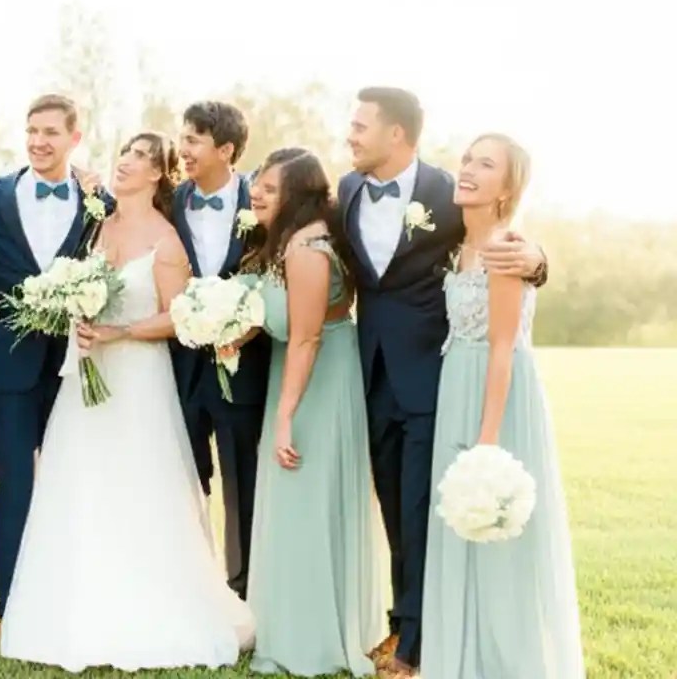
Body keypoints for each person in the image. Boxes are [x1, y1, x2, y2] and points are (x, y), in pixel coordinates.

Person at [0, 132, 255, 672]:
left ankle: (148, 605)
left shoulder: (165, 240)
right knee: (82, 484)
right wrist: (71, 311)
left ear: (159, 174)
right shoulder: (99, 225)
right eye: (124, 154)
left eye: (140, 157)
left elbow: (178, 316)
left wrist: (120, 333)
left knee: (136, 487)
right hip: (88, 379)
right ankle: (74, 607)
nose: (126, 163)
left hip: (137, 379)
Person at [336, 87, 549, 673]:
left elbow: (507, 242)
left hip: (436, 375)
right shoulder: (349, 189)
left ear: (396, 134)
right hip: (372, 371)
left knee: (422, 507)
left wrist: (538, 261)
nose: (349, 135)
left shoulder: (445, 192)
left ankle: (415, 646)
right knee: (393, 509)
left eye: (359, 125)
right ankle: (404, 624)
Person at [419, 134, 584, 678]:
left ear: (508, 187)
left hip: (496, 395)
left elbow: (502, 347)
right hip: (455, 386)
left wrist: (487, 443)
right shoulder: (459, 241)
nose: (466, 168)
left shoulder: (506, 247)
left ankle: (506, 660)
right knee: (461, 524)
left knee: (495, 521)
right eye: (467, 158)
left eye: (485, 164)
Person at [234, 148, 386, 676]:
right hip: (297, 373)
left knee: (308, 498)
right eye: (257, 183)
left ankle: (314, 636)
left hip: (316, 382)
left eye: (270, 189)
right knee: (297, 503)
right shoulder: (289, 241)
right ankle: (290, 621)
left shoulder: (307, 248)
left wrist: (284, 417)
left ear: (295, 196)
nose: (256, 194)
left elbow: (307, 338)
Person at [0, 94, 105, 637]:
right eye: (31, 131)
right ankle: (11, 604)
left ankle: (73, 597)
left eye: (50, 132)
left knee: (75, 479)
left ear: (75, 137)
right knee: (15, 481)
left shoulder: (102, 201)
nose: (38, 141)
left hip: (76, 361)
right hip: (9, 358)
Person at [170, 101, 270, 598]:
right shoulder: (170, 201)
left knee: (243, 484)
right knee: (186, 480)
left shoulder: (264, 199)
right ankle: (191, 590)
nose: (182, 149)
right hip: (180, 364)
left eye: (193, 140)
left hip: (244, 362)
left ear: (225, 149)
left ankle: (244, 591)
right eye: (182, 137)